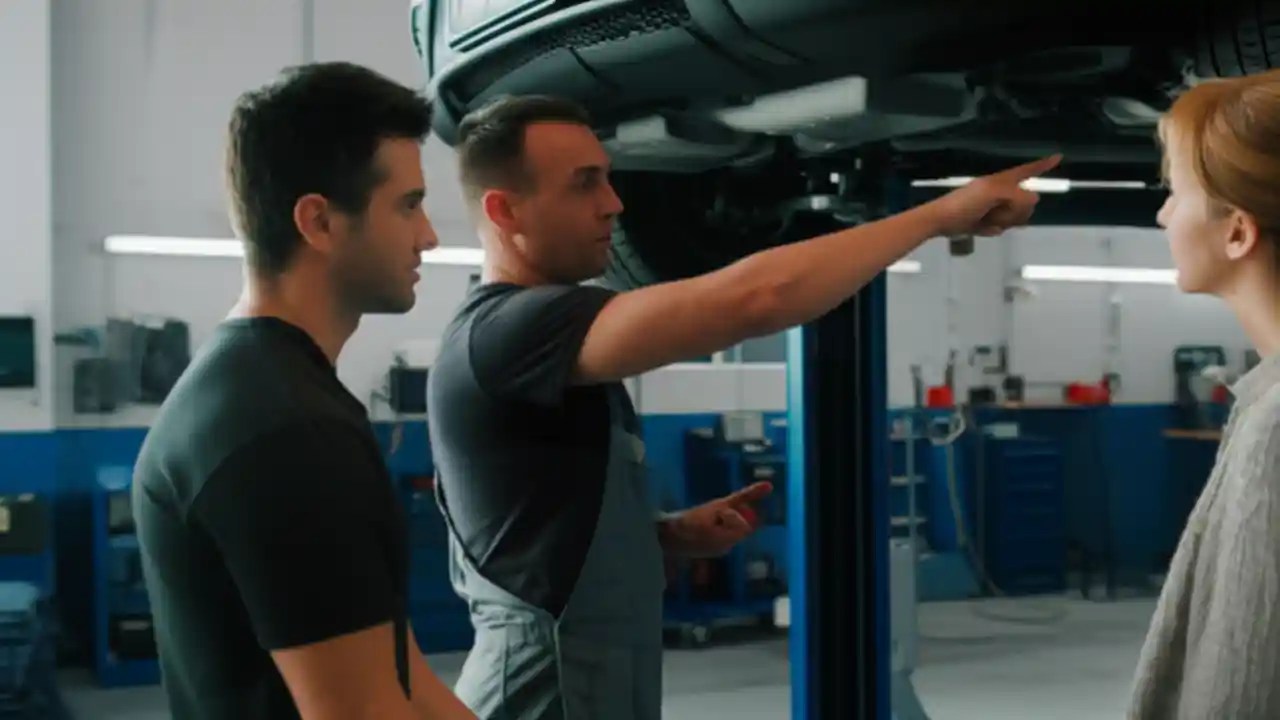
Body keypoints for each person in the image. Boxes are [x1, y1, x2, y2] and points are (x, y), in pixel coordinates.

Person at [425, 94, 1059, 719]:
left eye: (608, 180)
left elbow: (529, 531)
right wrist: (935, 215)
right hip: (546, 687)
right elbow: (757, 299)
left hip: (584, 677)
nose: (613, 204)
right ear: (505, 211)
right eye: (584, 184)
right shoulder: (510, 331)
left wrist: (664, 536)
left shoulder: (540, 342)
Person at [132, 62, 475, 720]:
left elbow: (402, 677)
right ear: (318, 222)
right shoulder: (285, 432)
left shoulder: (257, 393)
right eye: (408, 204)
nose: (429, 236)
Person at [1129, 69, 1280, 720]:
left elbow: (1244, 668)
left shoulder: (1275, 424)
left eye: (1176, 191)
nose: (1163, 213)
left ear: (1238, 232)